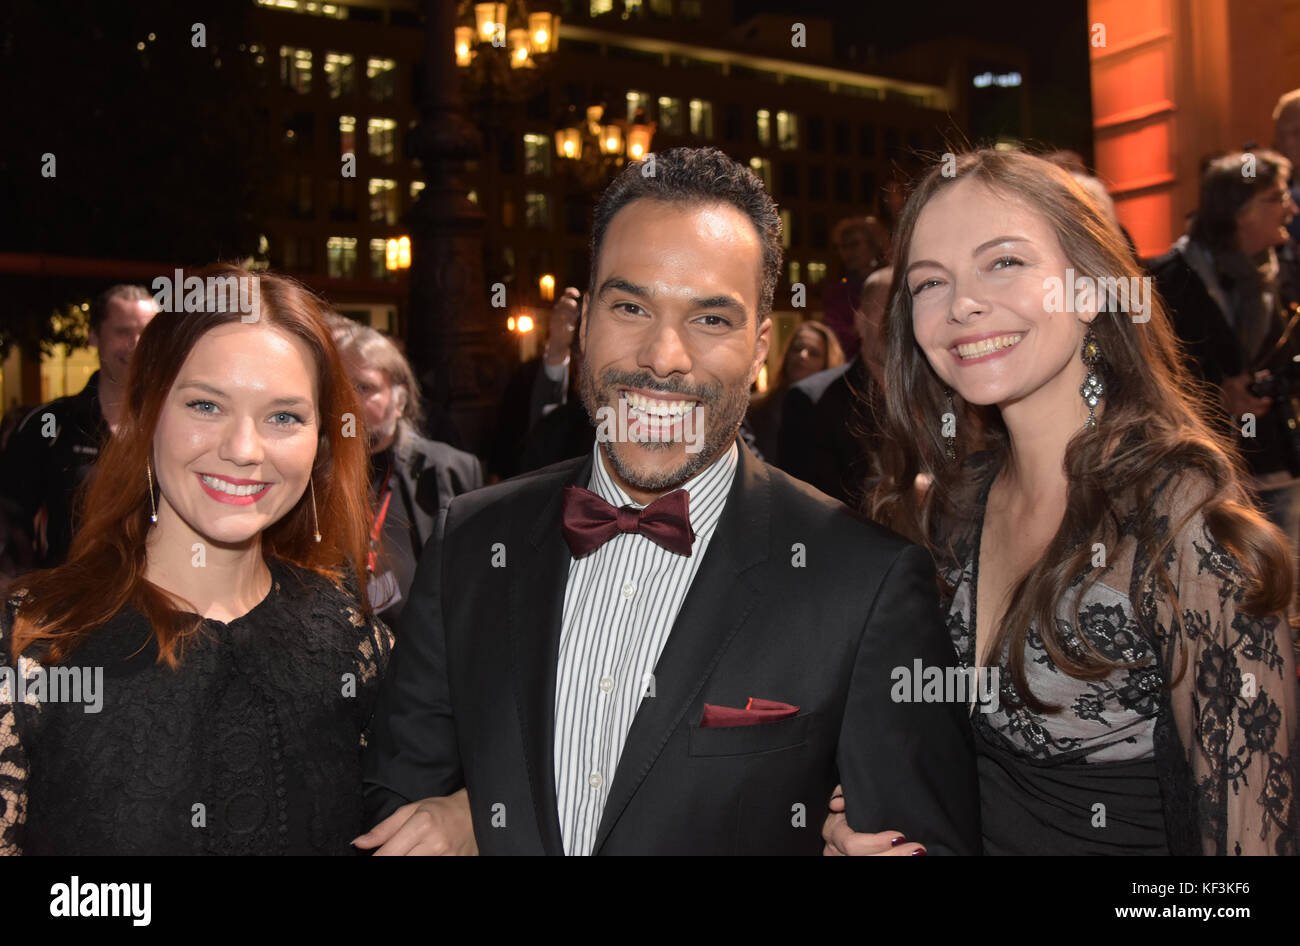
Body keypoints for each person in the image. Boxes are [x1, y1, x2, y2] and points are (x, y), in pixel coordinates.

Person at [359, 146, 979, 856]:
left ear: (759, 348)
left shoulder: (865, 583)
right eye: (630, 306)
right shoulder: (471, 541)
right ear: (586, 320)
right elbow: (398, 802)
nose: (663, 357)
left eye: (711, 320)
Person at [825, 149, 1299, 856]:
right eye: (929, 282)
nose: (962, 303)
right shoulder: (951, 506)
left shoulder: (1180, 514)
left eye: (1005, 262)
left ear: (1090, 288)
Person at [0, 265, 391, 855]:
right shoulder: (30, 648)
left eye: (284, 416)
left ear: (321, 444)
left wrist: (463, 817)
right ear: (146, 413)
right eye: (206, 405)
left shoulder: (354, 642)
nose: (242, 450)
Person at [1149, 151, 1300, 558]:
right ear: (1239, 210)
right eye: (1277, 197)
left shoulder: (1284, 273)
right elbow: (1152, 376)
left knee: (1282, 594)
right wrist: (1218, 393)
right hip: (1204, 474)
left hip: (1276, 462)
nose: (1291, 208)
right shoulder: (1170, 278)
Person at [0, 284, 157, 570]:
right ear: (94, 336)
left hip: (159, 601)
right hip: (68, 605)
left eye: (146, 333)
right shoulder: (50, 426)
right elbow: (9, 518)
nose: (136, 343)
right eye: (123, 332)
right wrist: (20, 588)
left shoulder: (177, 423)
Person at [335, 323, 482, 626]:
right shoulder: (310, 470)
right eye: (340, 386)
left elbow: (473, 587)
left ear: (400, 401)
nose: (349, 400)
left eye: (365, 388)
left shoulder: (449, 470)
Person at [779, 267, 891, 505]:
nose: (898, 324)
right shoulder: (811, 400)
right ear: (860, 320)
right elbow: (804, 502)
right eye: (887, 312)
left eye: (909, 312)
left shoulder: (941, 395)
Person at [745, 320, 843, 462]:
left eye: (813, 353)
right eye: (797, 348)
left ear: (827, 363)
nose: (802, 355)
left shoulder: (834, 415)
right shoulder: (755, 407)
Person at [822, 216, 890, 356]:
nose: (848, 252)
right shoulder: (836, 292)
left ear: (874, 246)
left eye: (854, 244)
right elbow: (834, 337)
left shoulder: (892, 284)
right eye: (843, 246)